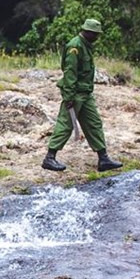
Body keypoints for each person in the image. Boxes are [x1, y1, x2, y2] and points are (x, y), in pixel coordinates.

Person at [42, 18, 123, 173]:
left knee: (94, 123)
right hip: (75, 94)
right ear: (88, 32)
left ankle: (103, 158)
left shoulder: (86, 46)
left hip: (86, 94)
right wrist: (69, 96)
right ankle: (49, 158)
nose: (97, 37)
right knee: (65, 125)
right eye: (95, 34)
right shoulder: (75, 46)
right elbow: (70, 73)